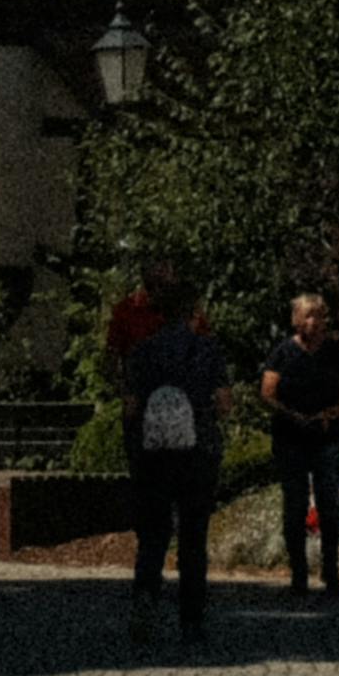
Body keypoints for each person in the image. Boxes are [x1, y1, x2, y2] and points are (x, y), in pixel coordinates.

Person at [120, 273, 230, 646]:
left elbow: (131, 407)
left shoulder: (142, 352)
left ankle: (145, 601)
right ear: (193, 312)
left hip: (153, 457)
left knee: (152, 536)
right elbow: (224, 404)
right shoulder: (208, 351)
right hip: (197, 452)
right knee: (193, 537)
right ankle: (192, 618)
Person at [260, 289, 339, 593]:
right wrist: (290, 415)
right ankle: (298, 572)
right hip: (291, 437)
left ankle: (330, 569)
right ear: (295, 320)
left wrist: (333, 412)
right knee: (295, 505)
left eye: (318, 315)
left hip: (326, 436)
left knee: (329, 503)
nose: (313, 322)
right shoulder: (283, 353)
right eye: (307, 315)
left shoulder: (335, 352)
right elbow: (267, 393)